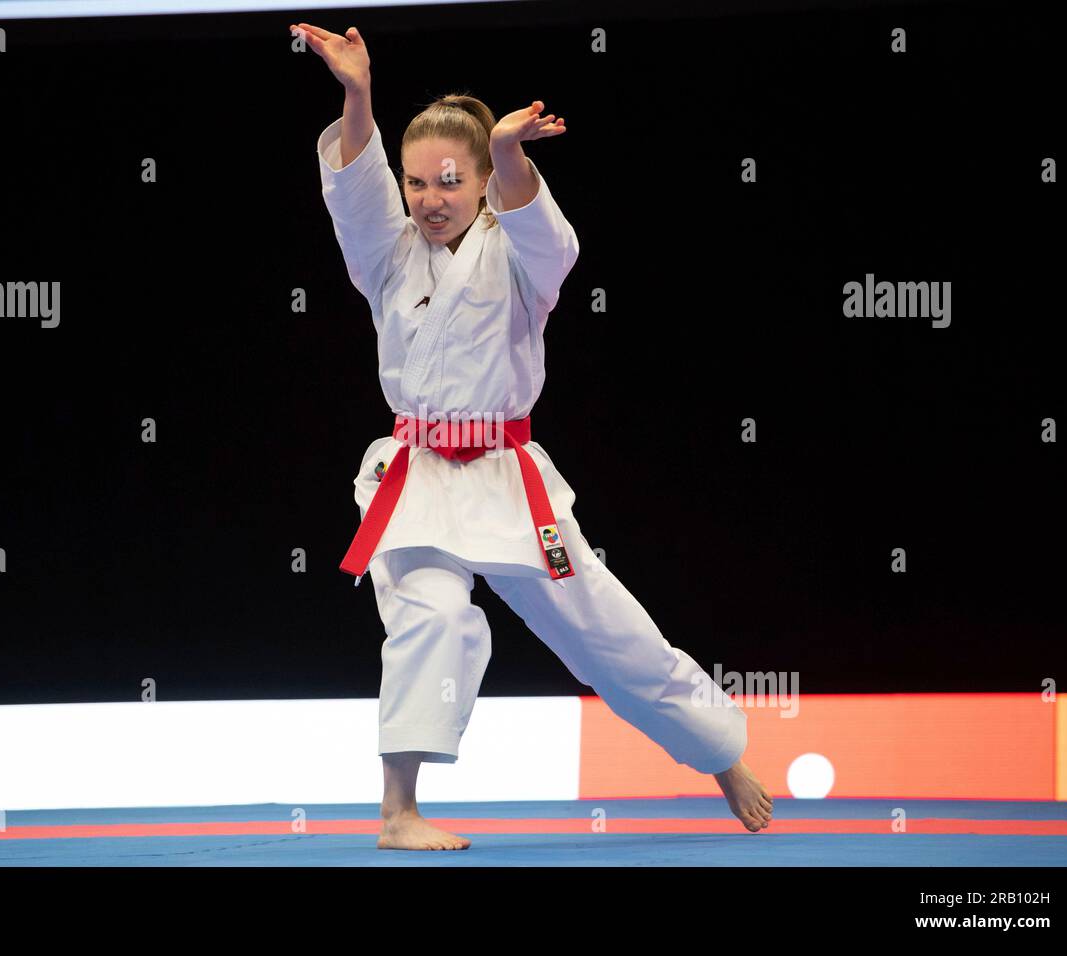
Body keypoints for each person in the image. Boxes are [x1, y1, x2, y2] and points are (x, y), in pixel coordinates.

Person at [293, 21, 774, 851]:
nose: (430, 198)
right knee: (431, 619)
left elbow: (543, 229)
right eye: (417, 182)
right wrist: (358, 93)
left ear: (483, 181)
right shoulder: (386, 255)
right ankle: (398, 811)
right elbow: (355, 188)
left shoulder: (521, 260)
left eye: (451, 181)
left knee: (605, 629)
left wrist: (512, 151)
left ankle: (718, 753)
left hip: (508, 476)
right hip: (415, 476)